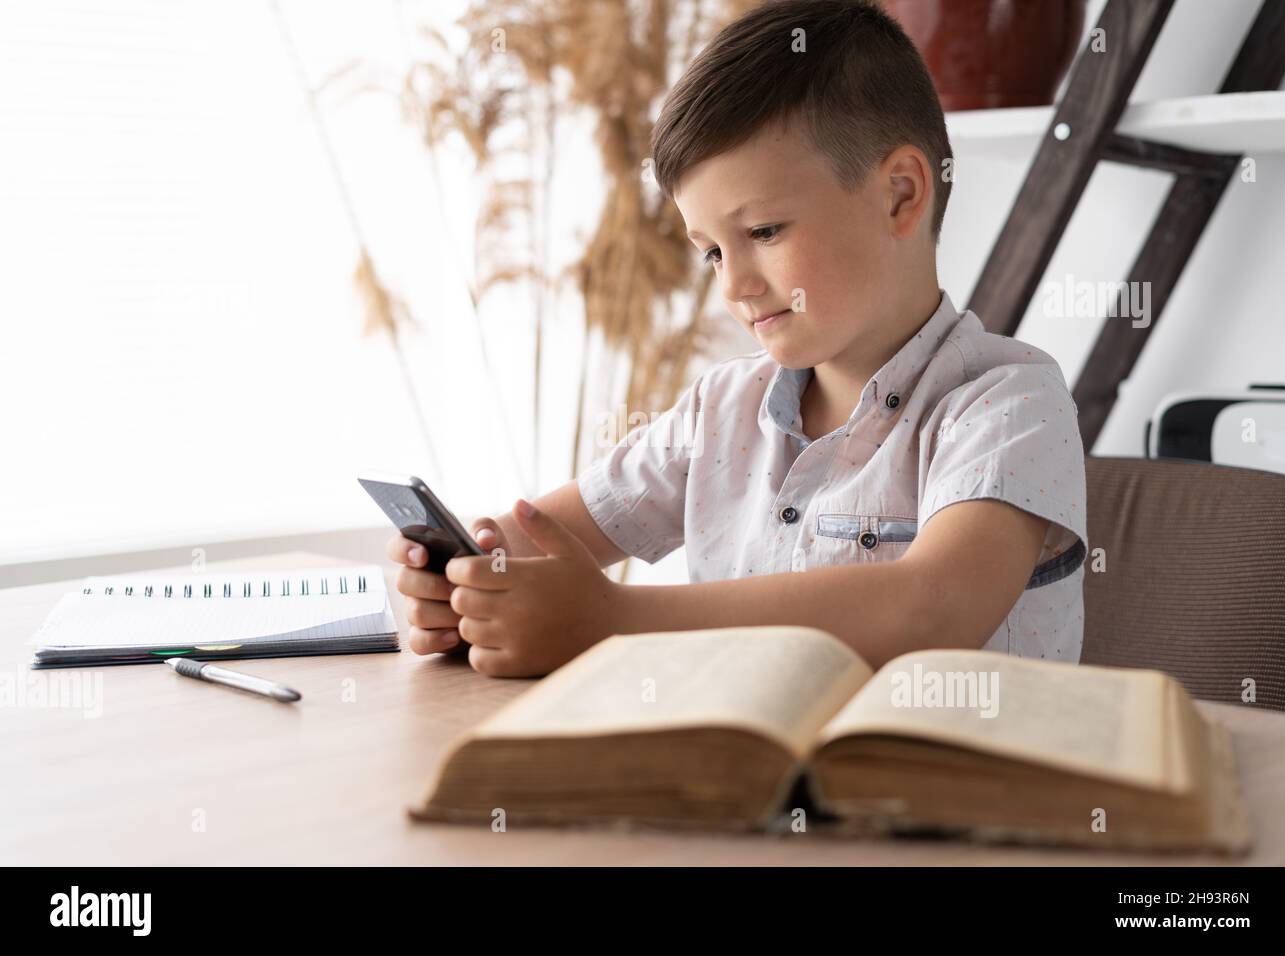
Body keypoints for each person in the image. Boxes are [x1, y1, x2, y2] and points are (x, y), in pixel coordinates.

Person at [388, 0, 1087, 678]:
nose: (734, 285)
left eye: (763, 233)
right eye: (713, 252)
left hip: (950, 793)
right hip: (743, 787)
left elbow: (934, 606)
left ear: (900, 195)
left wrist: (613, 619)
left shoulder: (1010, 404)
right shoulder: (718, 411)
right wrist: (467, 581)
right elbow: (533, 541)